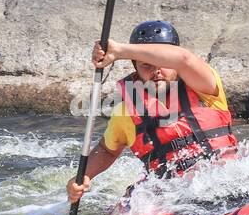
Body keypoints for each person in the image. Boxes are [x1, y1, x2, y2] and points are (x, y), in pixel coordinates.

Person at [65, 20, 237, 205]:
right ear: (136, 71)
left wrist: (119, 51)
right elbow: (107, 150)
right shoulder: (126, 112)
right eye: (146, 65)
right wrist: (82, 176)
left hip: (222, 180)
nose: (156, 71)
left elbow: (184, 59)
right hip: (170, 195)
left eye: (162, 62)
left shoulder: (203, 86)